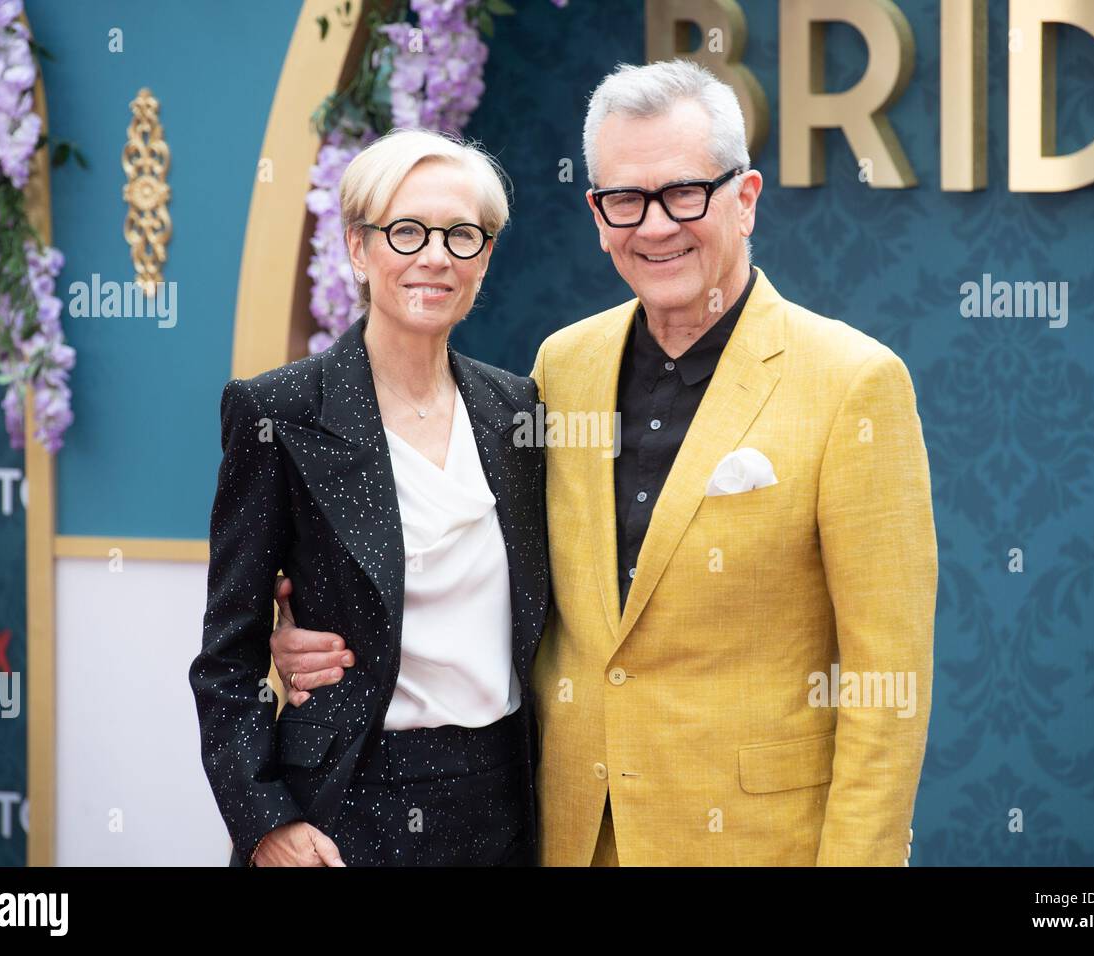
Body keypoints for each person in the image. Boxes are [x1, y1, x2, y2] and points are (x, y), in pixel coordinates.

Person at [271, 59, 937, 866]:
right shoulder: (563, 369)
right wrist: (320, 634)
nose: (655, 226)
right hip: (563, 834)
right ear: (597, 213)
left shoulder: (854, 382)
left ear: (747, 198)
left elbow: (885, 683)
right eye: (626, 199)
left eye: (685, 192)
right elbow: (498, 580)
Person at [188, 127, 549, 866]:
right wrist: (265, 822)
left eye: (463, 235)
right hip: (345, 802)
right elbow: (227, 658)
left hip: (502, 796)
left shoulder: (519, 412)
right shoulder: (278, 411)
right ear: (358, 249)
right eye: (407, 230)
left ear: (485, 258)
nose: (436, 256)